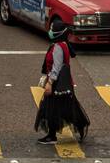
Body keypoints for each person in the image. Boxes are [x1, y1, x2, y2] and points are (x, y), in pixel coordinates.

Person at [34, 17, 89, 145]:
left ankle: (53, 135)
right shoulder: (63, 43)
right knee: (63, 108)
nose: (50, 31)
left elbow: (56, 67)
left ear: (58, 33)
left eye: (53, 29)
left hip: (58, 83)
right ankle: (75, 127)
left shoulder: (58, 47)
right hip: (64, 82)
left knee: (52, 109)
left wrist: (50, 83)